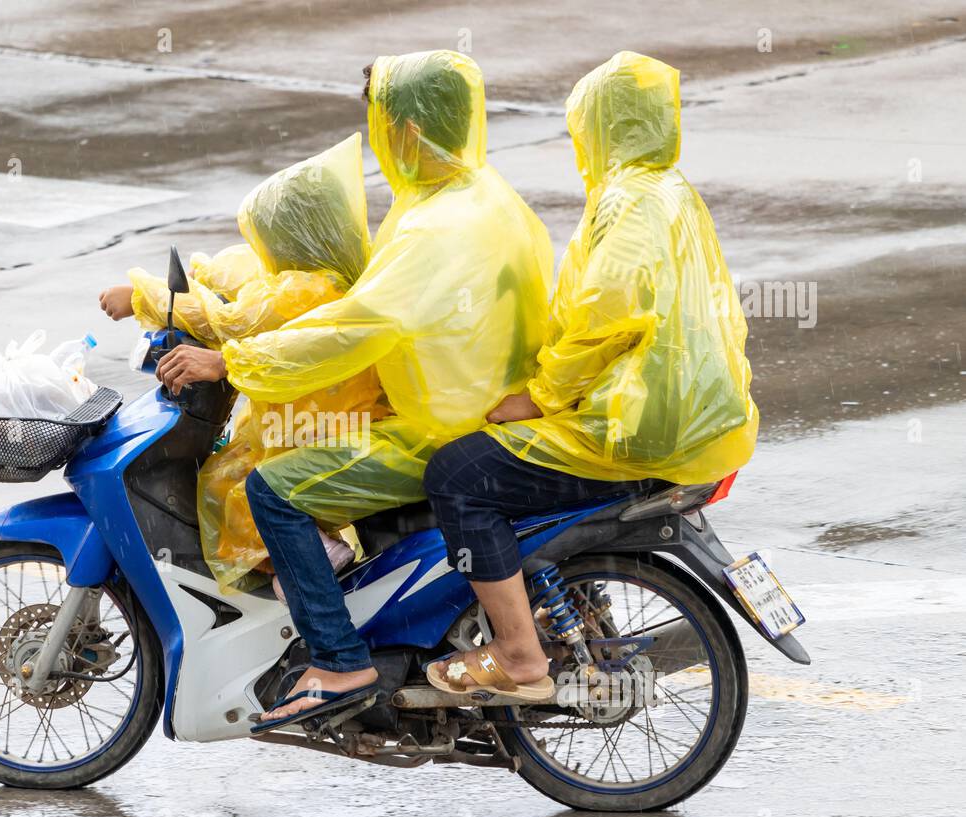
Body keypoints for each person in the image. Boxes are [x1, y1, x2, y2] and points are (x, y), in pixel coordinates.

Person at [155, 51, 555, 727]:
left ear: (411, 129)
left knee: (274, 488)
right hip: (479, 408)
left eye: (382, 122)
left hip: (439, 429)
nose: (376, 138)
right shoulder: (481, 196)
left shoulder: (435, 225)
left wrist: (233, 362)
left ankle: (340, 660)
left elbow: (352, 327)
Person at [423, 51, 759, 698]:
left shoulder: (629, 203)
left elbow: (604, 313)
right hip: (705, 419)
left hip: (640, 426)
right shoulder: (671, 191)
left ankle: (519, 653)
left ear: (603, 128)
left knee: (457, 476)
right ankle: (575, 610)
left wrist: (540, 395)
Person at [100, 134, 390, 593]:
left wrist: (141, 296)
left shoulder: (304, 292)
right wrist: (204, 273)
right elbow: (243, 272)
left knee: (227, 490)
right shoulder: (330, 277)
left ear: (290, 238)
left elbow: (228, 321)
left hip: (313, 431)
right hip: (318, 420)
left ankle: (308, 557)